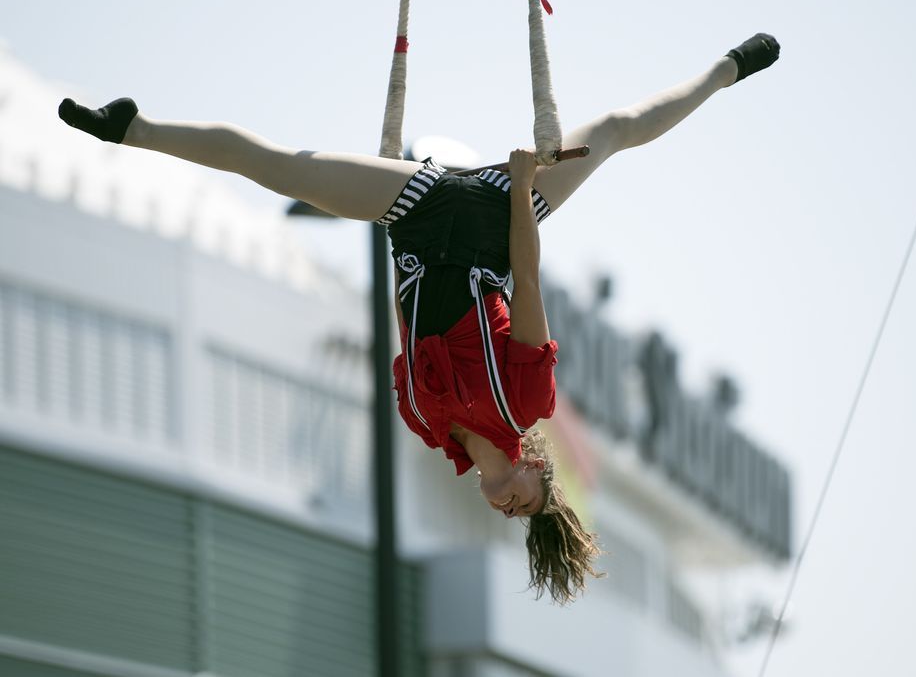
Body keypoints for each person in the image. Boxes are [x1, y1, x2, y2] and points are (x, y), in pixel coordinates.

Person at [58, 33, 780, 604]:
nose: (507, 508)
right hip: (501, 216)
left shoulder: (426, 421)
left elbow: (406, 318)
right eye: (526, 507)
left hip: (419, 216)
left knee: (281, 165)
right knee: (617, 129)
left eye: (510, 515)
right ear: (536, 469)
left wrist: (383, 216)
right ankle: (728, 68)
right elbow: (525, 276)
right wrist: (523, 183)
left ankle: (132, 129)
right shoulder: (527, 401)